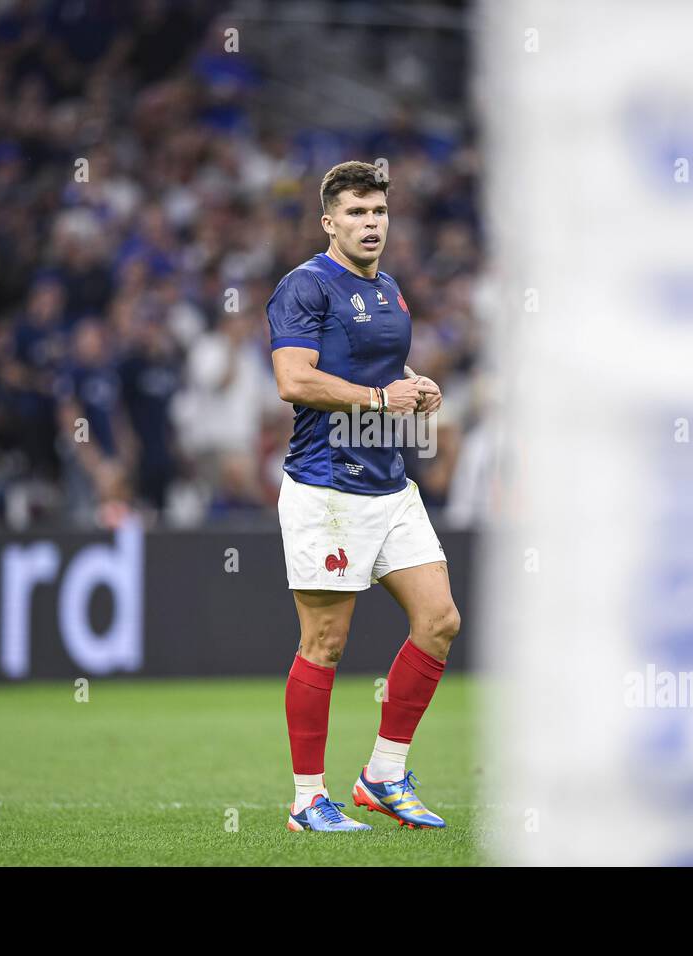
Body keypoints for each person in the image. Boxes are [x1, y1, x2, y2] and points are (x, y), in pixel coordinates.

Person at [267, 161, 460, 832]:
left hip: (389, 484)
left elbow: (378, 368)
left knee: (439, 621)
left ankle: (382, 775)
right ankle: (306, 800)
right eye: (355, 213)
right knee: (324, 643)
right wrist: (381, 397)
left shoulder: (390, 289)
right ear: (328, 222)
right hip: (327, 487)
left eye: (377, 212)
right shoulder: (304, 287)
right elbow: (294, 379)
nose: (370, 223)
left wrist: (415, 383)